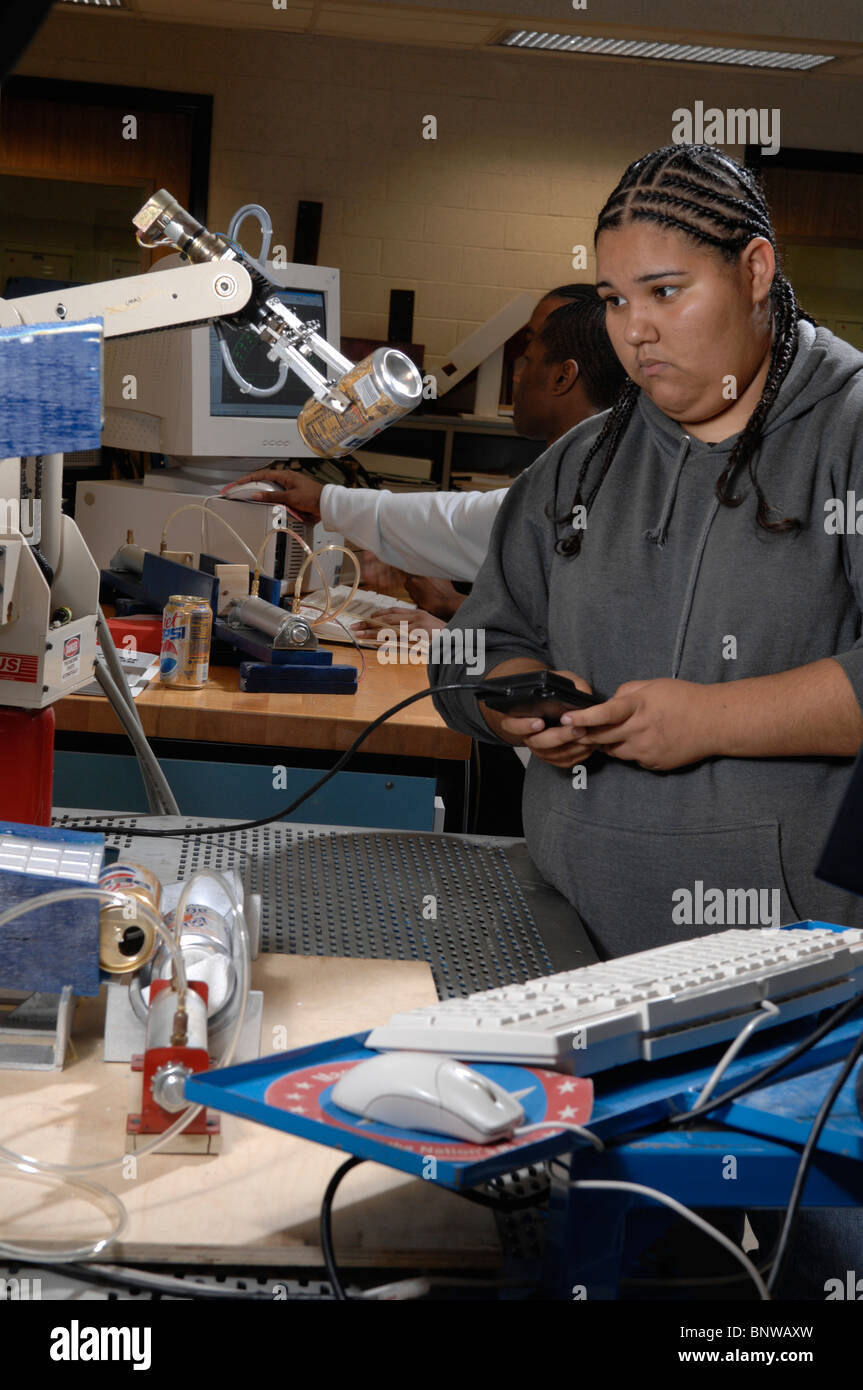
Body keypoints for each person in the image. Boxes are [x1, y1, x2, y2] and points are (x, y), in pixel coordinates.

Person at [429, 143, 863, 959]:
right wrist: (513, 704)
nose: (635, 330)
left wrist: (711, 719)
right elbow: (471, 648)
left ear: (755, 270)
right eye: (614, 300)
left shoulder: (847, 433)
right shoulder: (583, 458)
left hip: (784, 961)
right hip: (567, 932)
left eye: (665, 292)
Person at [231, 285, 626, 635]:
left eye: (529, 356)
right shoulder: (585, 465)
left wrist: (327, 502)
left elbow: (474, 524)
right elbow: (468, 521)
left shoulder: (587, 481)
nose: (517, 375)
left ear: (564, 377)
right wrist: (329, 503)